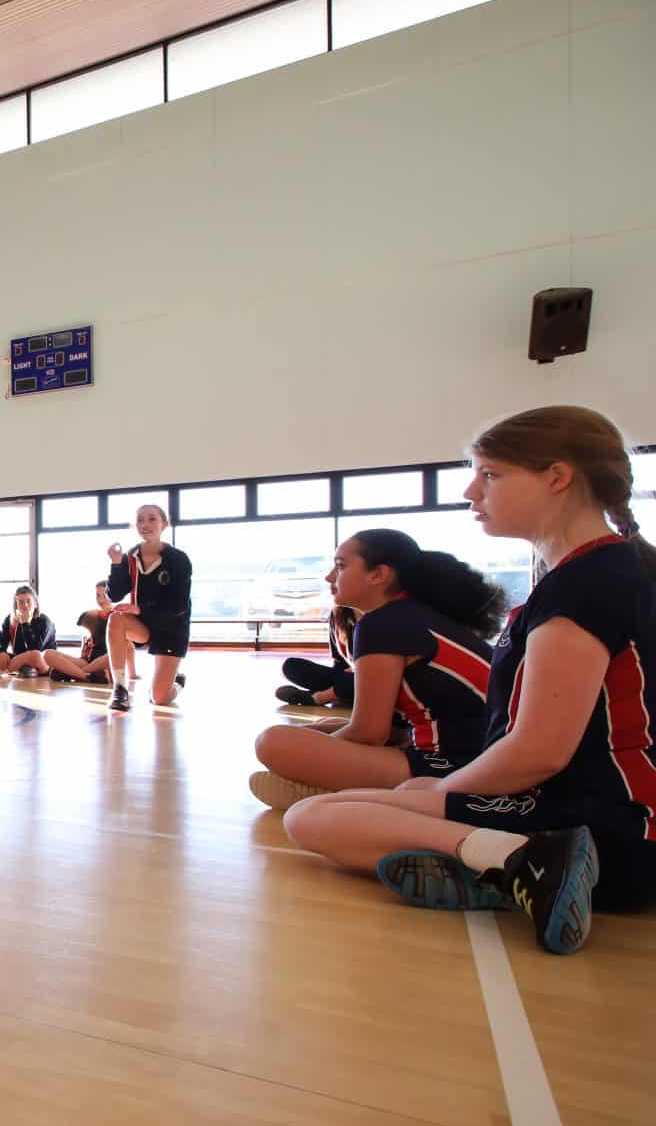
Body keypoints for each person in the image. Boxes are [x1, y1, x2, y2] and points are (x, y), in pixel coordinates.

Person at [282, 405, 656, 956]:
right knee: (381, 802)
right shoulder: (604, 571)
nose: (470, 491)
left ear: (557, 477)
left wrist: (444, 789)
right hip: (601, 816)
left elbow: (539, 751)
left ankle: (521, 865)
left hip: (603, 832)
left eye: (490, 475)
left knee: (313, 817)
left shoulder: (584, 585)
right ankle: (490, 865)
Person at [248, 531, 500, 810]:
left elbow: (369, 734)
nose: (330, 577)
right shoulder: (412, 613)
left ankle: (338, 792)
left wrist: (310, 756)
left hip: (460, 765)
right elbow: (392, 728)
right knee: (320, 729)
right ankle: (328, 787)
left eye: (341, 566)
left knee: (272, 743)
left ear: (378, 574)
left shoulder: (382, 624)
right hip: (479, 753)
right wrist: (319, 741)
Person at [104, 504, 192, 711]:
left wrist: (140, 609)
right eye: (140, 520)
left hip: (171, 629)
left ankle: (177, 681)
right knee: (116, 618)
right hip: (143, 625)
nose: (145, 524)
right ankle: (119, 689)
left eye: (152, 519)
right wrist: (116, 564)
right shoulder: (130, 557)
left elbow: (178, 606)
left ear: (164, 524)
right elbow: (114, 595)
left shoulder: (178, 559)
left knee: (159, 698)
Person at [277, 607, 358, 708]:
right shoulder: (338, 614)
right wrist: (340, 678)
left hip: (368, 676)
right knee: (290, 666)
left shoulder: (373, 618)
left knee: (357, 678)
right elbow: (339, 662)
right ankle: (342, 693)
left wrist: (356, 669)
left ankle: (317, 698)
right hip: (347, 676)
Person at [0, 585, 56, 677]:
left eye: (28, 601)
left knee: (35, 655)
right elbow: (0, 641)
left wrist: (25, 624)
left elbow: (35, 648)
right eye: (21, 602)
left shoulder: (45, 621)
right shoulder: (10, 619)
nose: (25, 605)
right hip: (18, 659)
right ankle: (24, 670)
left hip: (41, 661)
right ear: (16, 605)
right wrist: (2, 652)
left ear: (35, 604)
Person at [43, 582, 114, 684]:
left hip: (104, 662)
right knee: (47, 654)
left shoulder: (117, 616)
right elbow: (86, 650)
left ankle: (70, 673)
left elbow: (127, 647)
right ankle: (86, 676)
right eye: (98, 595)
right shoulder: (91, 616)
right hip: (87, 662)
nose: (101, 600)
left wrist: (132, 672)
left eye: (105, 596)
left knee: (110, 657)